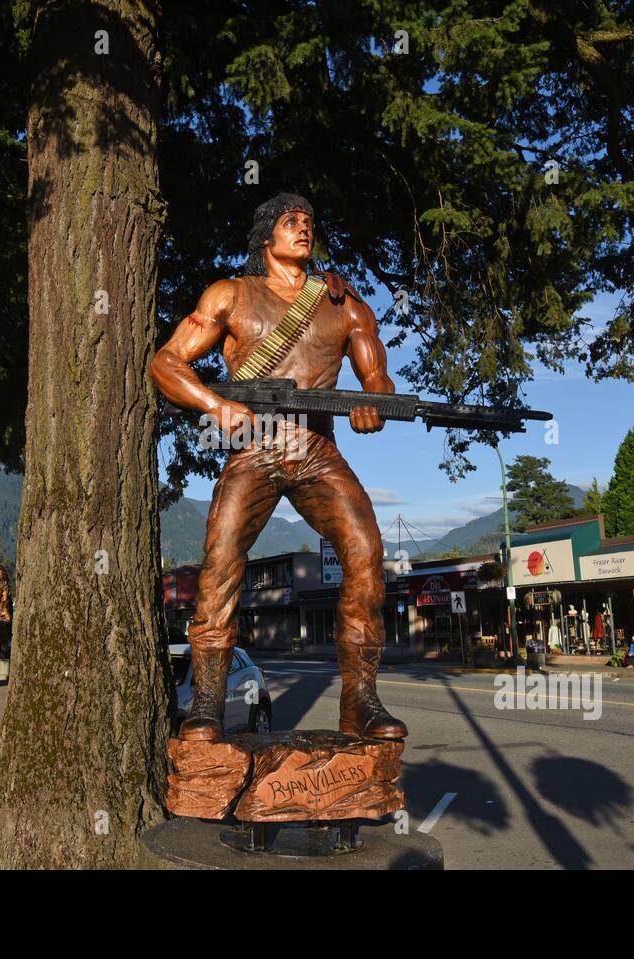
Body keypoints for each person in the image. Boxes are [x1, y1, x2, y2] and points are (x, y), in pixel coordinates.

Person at [149, 192, 405, 742]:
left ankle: (361, 701)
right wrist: (216, 405)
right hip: (255, 449)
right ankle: (209, 707)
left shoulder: (344, 303)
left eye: (310, 222)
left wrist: (374, 405)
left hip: (318, 451)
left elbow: (377, 379)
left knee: (365, 553)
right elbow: (166, 362)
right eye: (292, 222)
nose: (304, 229)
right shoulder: (230, 295)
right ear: (267, 236)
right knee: (220, 563)